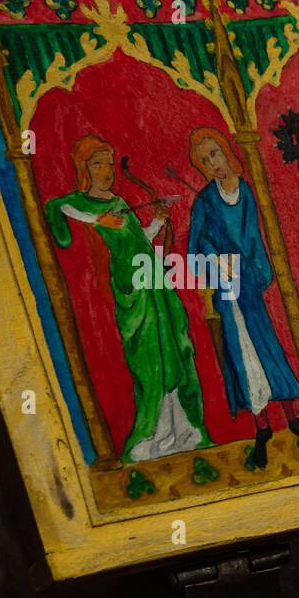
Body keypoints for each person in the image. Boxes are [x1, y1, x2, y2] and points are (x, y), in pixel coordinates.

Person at [45, 135, 211, 462]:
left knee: (174, 353)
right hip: (132, 291)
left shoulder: (120, 202)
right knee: (149, 361)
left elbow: (140, 244)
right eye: (97, 164)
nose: (106, 171)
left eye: (108, 164)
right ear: (84, 168)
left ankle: (184, 432)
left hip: (154, 286)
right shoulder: (85, 204)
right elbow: (58, 206)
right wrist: (97, 219)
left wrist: (156, 224)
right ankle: (152, 436)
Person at [186, 127, 299, 467]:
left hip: (250, 284)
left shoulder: (246, 191)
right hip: (226, 287)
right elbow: (194, 248)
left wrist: (255, 271)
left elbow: (255, 238)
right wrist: (216, 258)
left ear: (226, 151)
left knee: (267, 349)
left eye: (214, 154)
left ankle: (292, 418)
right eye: (204, 161)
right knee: (243, 356)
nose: (212, 164)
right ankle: (262, 429)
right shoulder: (204, 201)